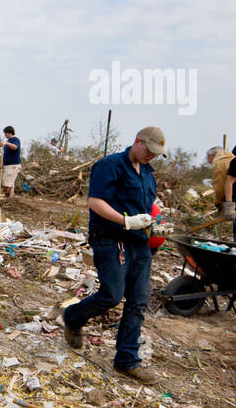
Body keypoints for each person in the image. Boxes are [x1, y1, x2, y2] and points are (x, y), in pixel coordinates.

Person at [60, 127, 166, 383]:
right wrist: (125, 221)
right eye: (148, 150)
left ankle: (127, 360)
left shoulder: (148, 173)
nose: (151, 156)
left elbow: (146, 206)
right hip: (111, 238)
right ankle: (73, 317)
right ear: (137, 141)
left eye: (155, 153)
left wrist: (154, 221)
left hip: (139, 242)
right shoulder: (109, 165)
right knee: (112, 294)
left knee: (139, 300)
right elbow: (95, 201)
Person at [1, 125, 22, 198]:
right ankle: (10, 198)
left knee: (7, 183)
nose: (5, 135)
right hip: (7, 165)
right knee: (10, 183)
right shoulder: (8, 141)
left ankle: (7, 197)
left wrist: (6, 144)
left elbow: (15, 147)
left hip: (13, 165)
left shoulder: (15, 139)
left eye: (5, 134)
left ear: (9, 133)